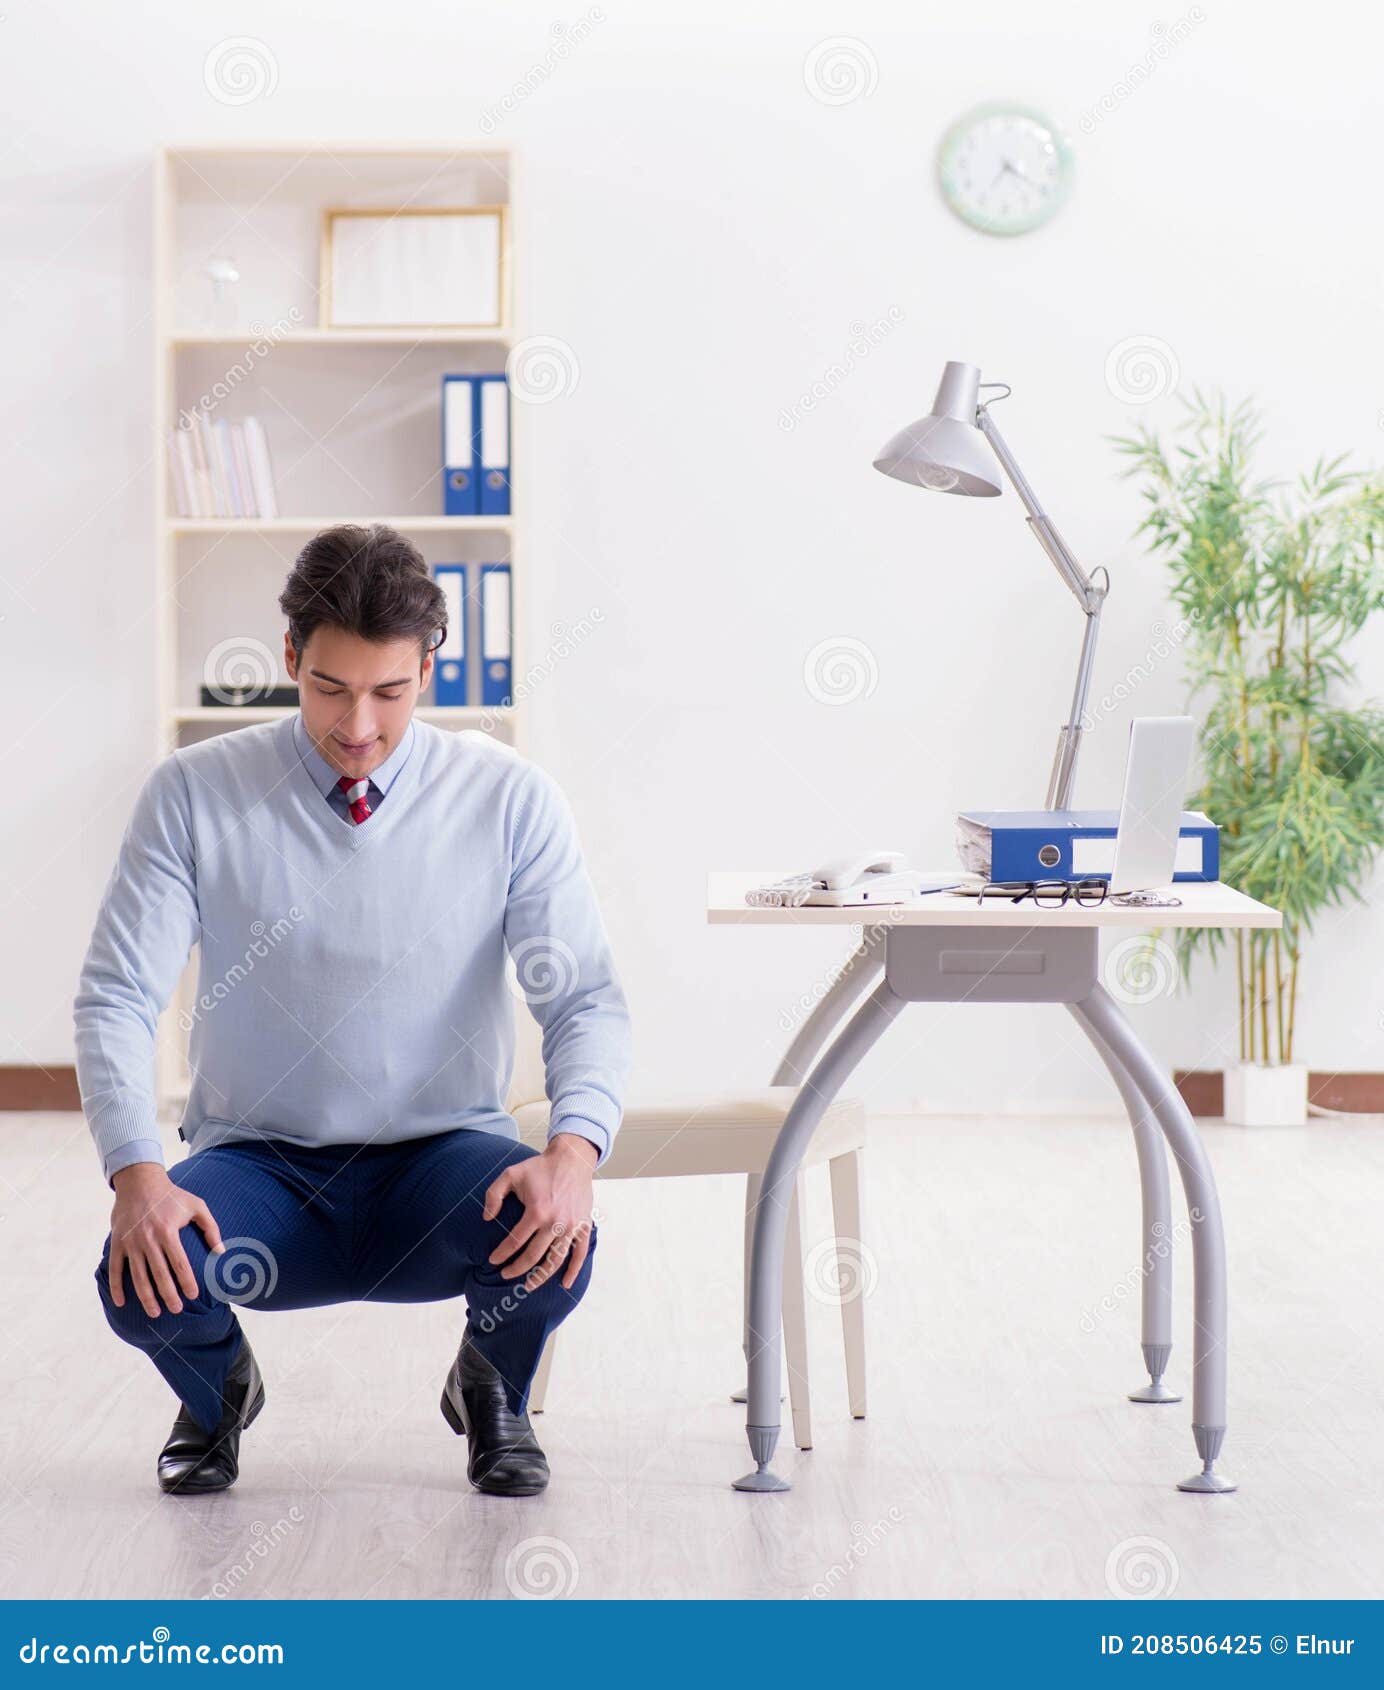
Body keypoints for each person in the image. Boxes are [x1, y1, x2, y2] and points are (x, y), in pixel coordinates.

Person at [74, 523, 631, 1498]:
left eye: (390, 691)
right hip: (260, 1167)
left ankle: (490, 1387)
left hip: (443, 1160)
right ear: (291, 657)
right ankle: (217, 1392)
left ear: (430, 667)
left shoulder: (509, 799)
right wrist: (137, 1174)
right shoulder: (193, 794)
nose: (359, 724)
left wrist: (575, 1153)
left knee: (556, 1236)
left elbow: (583, 995)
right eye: (330, 688)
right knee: (141, 1273)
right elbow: (119, 994)